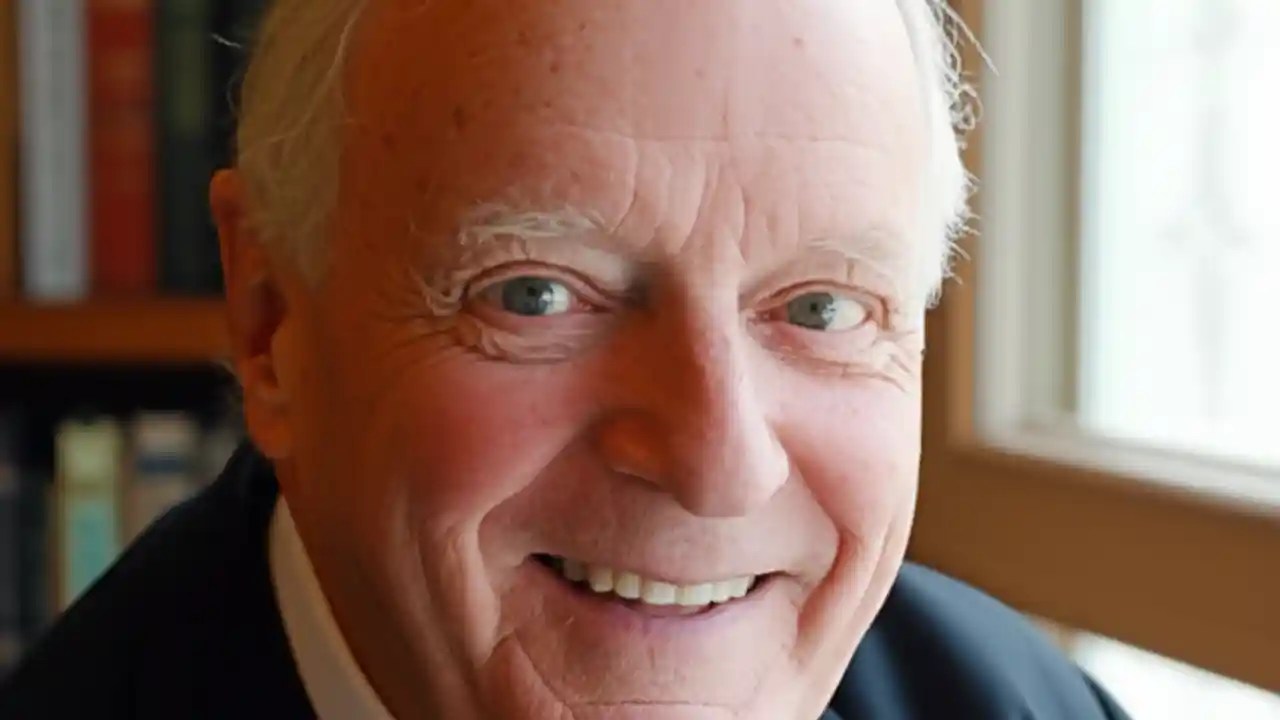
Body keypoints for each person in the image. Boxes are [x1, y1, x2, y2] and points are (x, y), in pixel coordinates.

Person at [0, 0, 1132, 718]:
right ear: (269, 325)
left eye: (823, 307)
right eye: (535, 293)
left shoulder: (1015, 705)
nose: (717, 464)